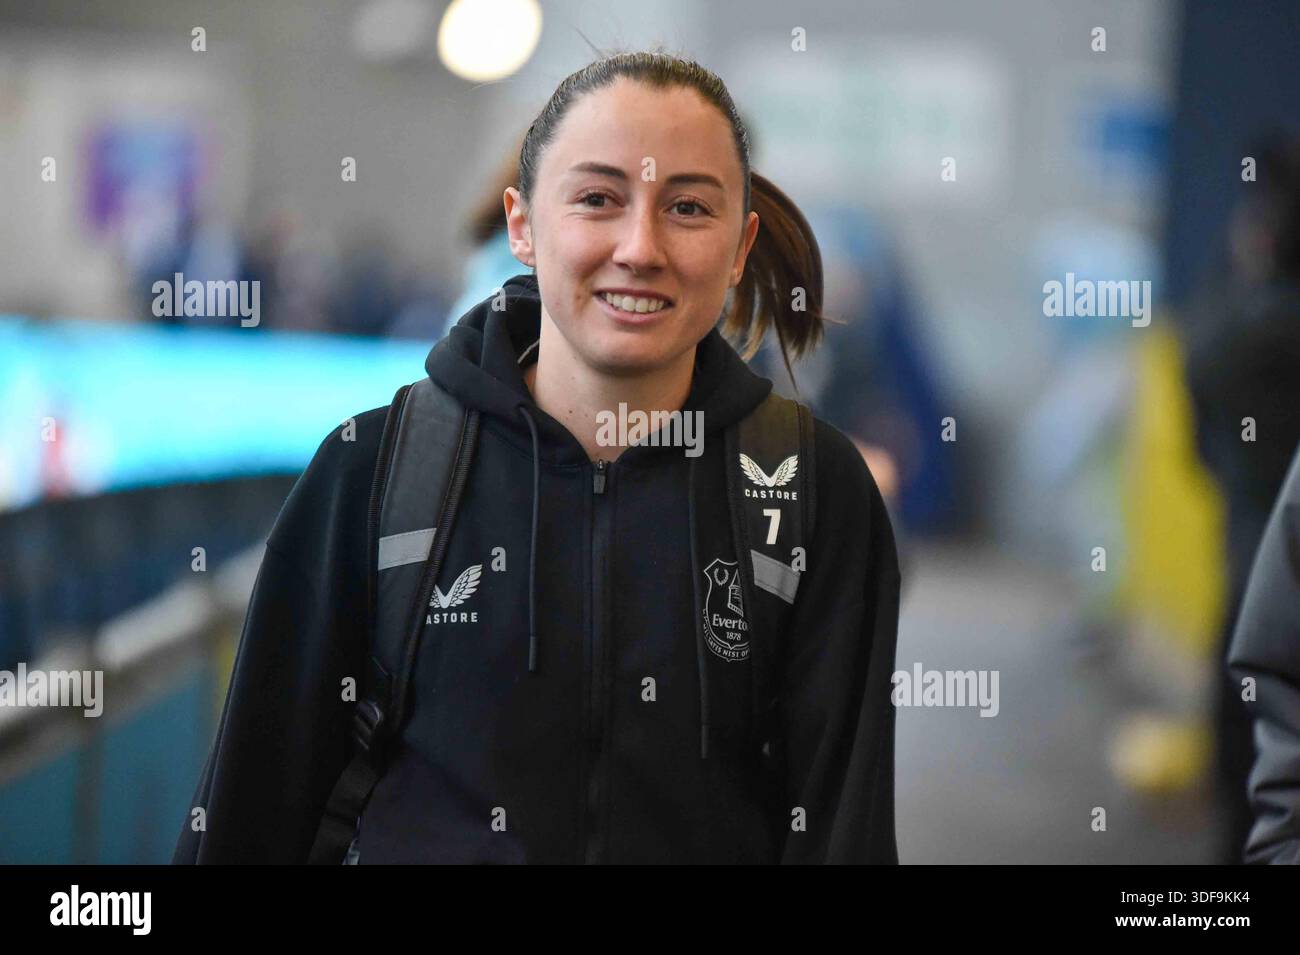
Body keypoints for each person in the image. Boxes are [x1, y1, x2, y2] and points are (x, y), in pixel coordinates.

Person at [172, 51, 901, 864]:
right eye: (597, 199)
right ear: (521, 224)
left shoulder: (811, 494)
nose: (640, 247)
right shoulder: (373, 473)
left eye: (688, 207)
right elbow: (249, 813)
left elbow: (846, 832)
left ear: (739, 246)